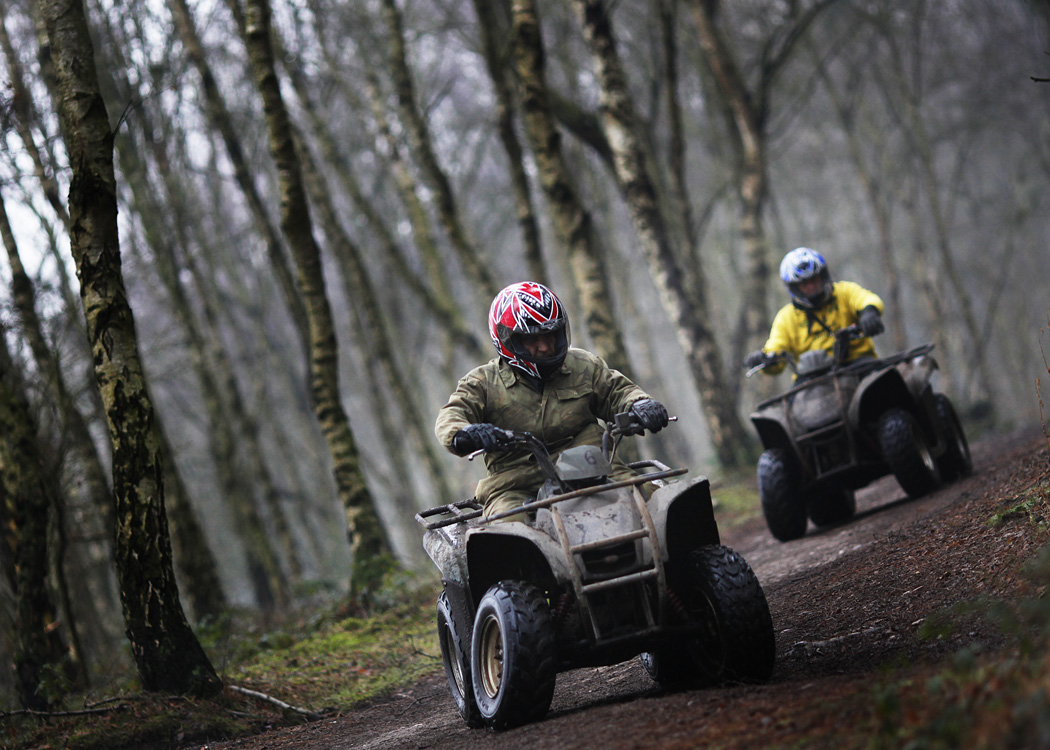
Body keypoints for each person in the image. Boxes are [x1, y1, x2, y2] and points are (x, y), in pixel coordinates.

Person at [435, 281, 669, 520]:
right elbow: (452, 415)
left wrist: (640, 404)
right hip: (516, 485)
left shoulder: (583, 364)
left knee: (656, 503)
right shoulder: (482, 383)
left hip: (595, 466)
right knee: (508, 532)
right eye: (532, 339)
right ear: (507, 339)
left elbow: (616, 391)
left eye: (551, 335)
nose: (545, 347)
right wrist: (465, 434)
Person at [744, 247, 885, 376]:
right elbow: (776, 349)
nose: (811, 286)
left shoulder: (844, 292)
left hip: (859, 363)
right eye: (804, 283)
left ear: (823, 276)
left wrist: (869, 313)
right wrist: (764, 359)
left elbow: (867, 299)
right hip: (811, 379)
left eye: (814, 279)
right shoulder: (786, 317)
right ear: (794, 287)